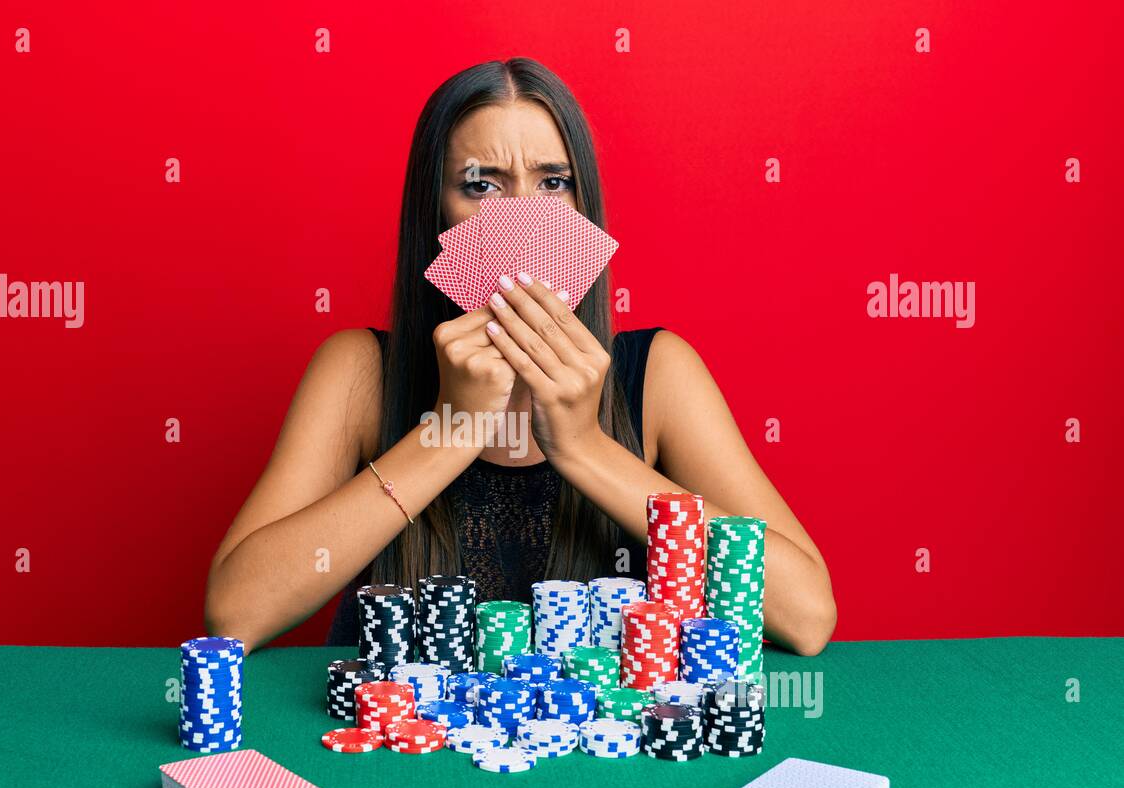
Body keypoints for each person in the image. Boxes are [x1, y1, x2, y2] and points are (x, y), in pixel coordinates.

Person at [205, 58, 836, 657]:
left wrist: (585, 446)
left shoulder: (658, 373)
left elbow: (805, 617)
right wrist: (453, 430)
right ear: (436, 214)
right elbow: (236, 611)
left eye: (553, 182)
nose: (523, 220)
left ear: (584, 205)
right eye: (481, 185)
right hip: (408, 752)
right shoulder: (360, 370)